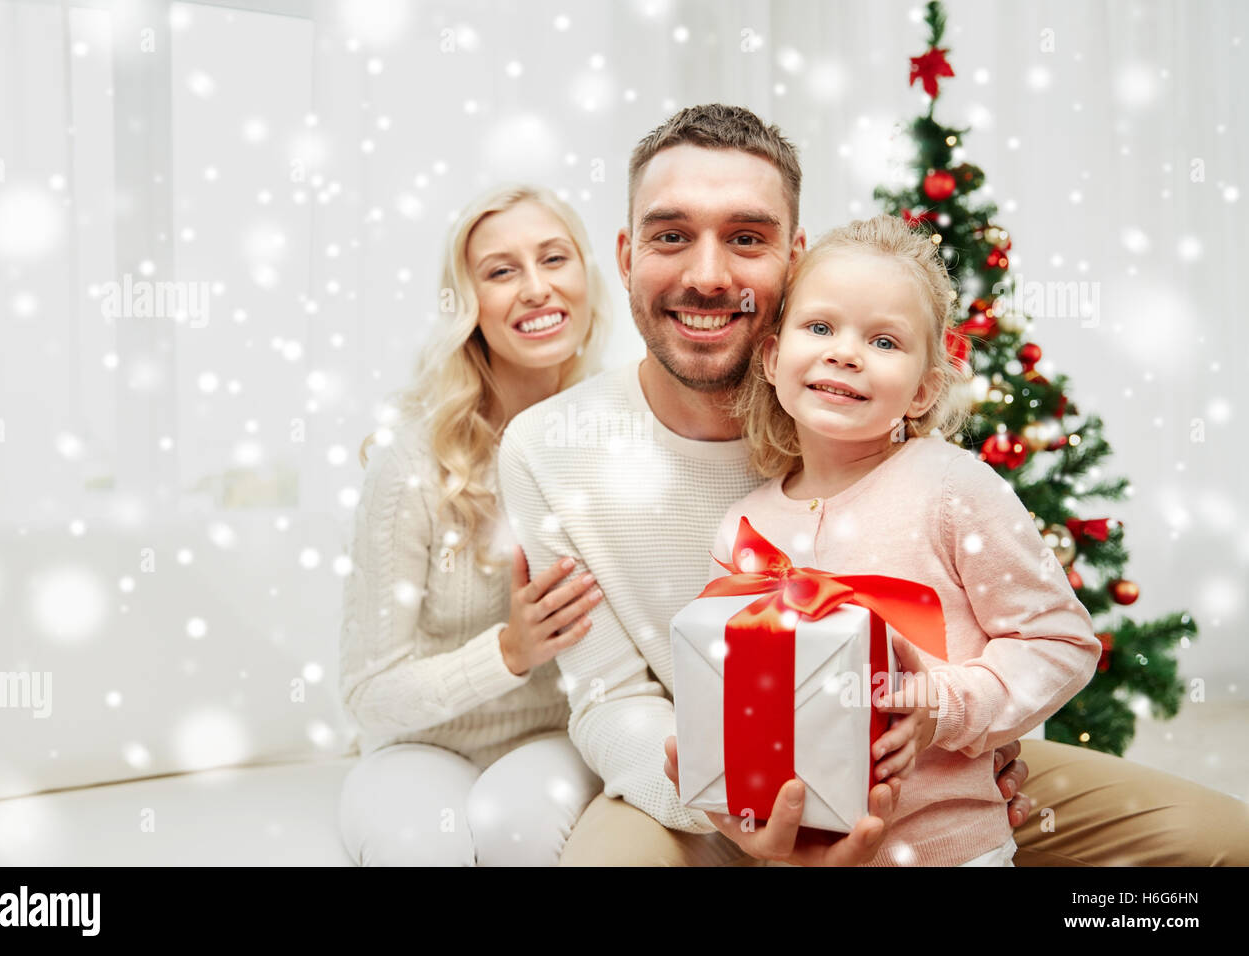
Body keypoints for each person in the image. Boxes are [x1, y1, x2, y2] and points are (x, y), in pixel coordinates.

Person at [497, 103, 1249, 867]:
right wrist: (728, 797)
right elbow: (609, 698)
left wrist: (984, 737)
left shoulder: (871, 422)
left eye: (747, 238)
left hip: (925, 778)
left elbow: (1006, 623)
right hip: (712, 779)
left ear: (792, 258)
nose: (709, 274)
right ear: (625, 256)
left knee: (1221, 845)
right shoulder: (549, 451)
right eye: (671, 235)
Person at [683, 213, 1101, 866]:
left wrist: (944, 709)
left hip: (950, 851)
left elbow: (1060, 642)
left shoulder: (952, 488)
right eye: (819, 327)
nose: (844, 352)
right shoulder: (743, 529)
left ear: (922, 389)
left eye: (883, 341)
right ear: (771, 356)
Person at [336, 184, 610, 866]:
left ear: (587, 277)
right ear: (469, 305)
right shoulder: (409, 467)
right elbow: (369, 695)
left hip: (559, 739)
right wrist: (510, 652)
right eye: (501, 271)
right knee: (420, 846)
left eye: (554, 258)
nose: (537, 289)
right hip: (421, 743)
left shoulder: (618, 442)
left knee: (517, 830)